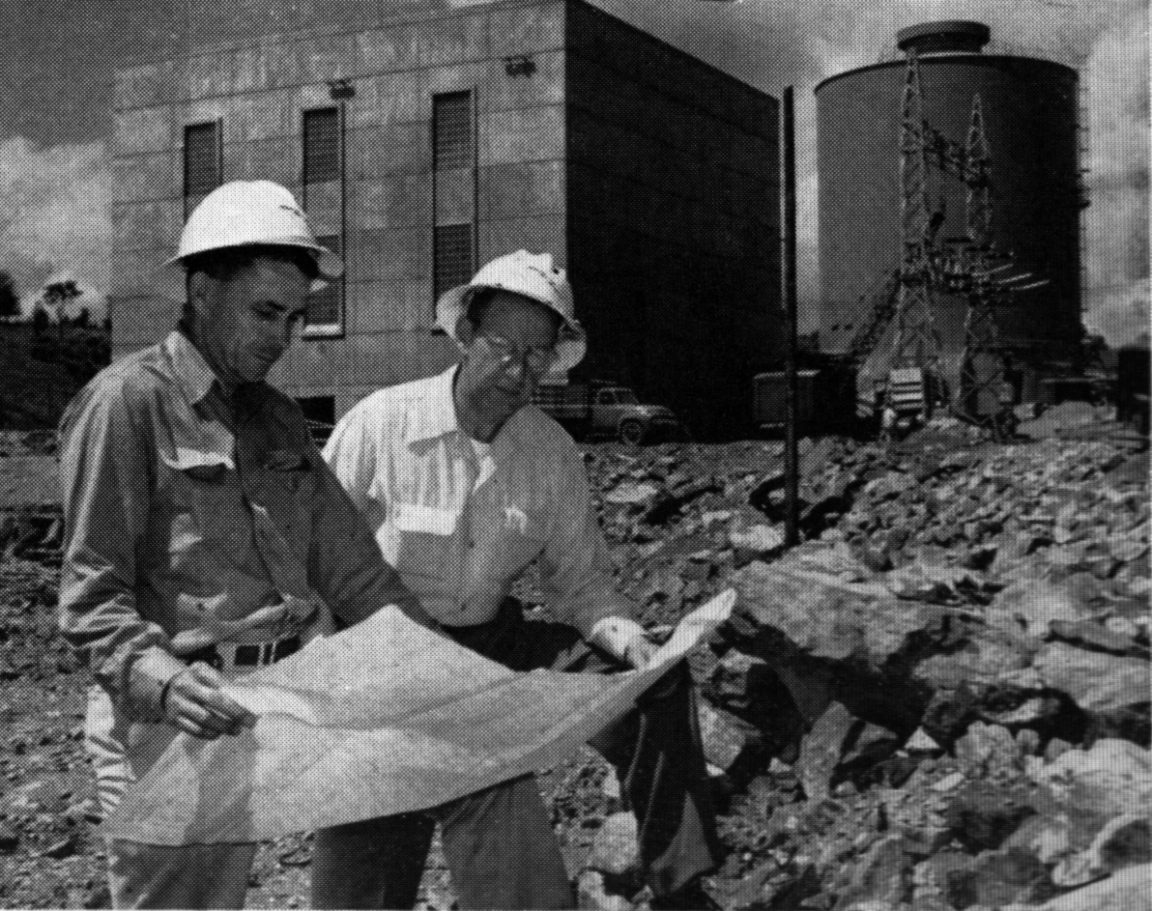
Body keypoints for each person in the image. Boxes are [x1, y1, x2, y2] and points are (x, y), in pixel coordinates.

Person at [315, 250, 723, 910]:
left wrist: (631, 642)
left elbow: (582, 579)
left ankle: (683, 886)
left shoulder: (551, 452)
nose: (520, 369)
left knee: (655, 685)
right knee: (371, 850)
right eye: (504, 345)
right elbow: (314, 558)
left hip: (493, 646)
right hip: (387, 660)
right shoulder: (381, 423)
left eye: (539, 353)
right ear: (467, 336)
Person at [57, 180, 423, 909]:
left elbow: (351, 567)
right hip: (167, 720)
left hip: (258, 708)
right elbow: (89, 594)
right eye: (264, 311)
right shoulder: (128, 403)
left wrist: (437, 658)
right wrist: (162, 679)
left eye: (293, 316)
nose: (281, 336)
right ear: (199, 289)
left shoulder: (277, 418)